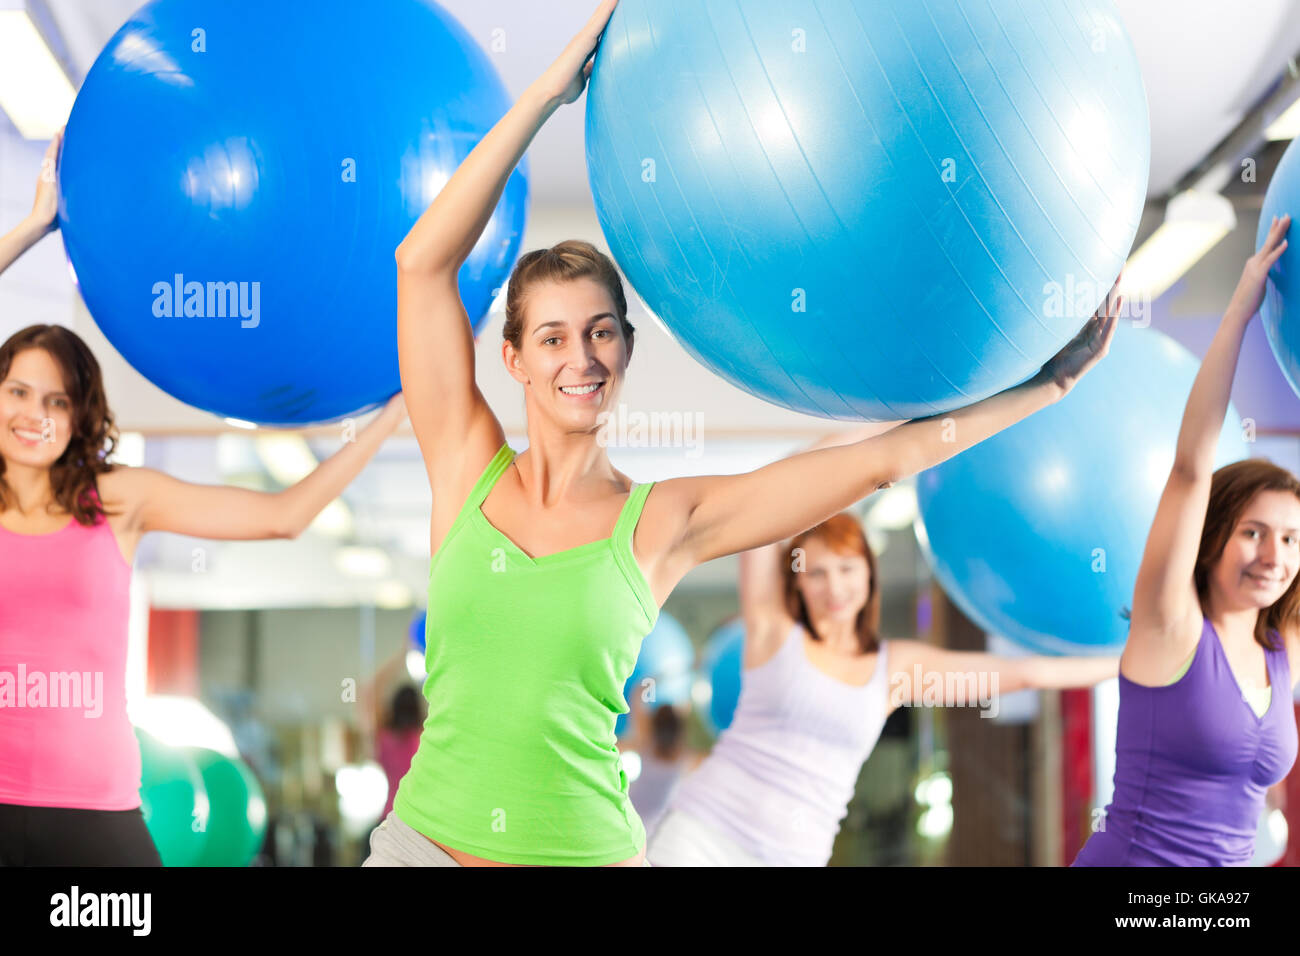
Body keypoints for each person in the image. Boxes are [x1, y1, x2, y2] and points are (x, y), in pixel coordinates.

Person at [363, 0, 1120, 868]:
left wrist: (1047, 388)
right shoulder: (463, 466)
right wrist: (547, 93)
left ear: (628, 349)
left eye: (603, 330)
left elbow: (883, 459)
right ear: (514, 358)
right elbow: (419, 262)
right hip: (421, 848)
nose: (582, 356)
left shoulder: (662, 522)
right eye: (553, 336)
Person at [0, 132, 408, 865]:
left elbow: (283, 518)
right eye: (18, 393)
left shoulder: (117, 500)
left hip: (95, 818)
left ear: (78, 415)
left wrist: (384, 423)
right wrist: (32, 226)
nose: (34, 414)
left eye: (56, 401)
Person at [646, 443, 1120, 866]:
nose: (834, 587)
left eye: (847, 569)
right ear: (797, 582)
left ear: (868, 575)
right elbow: (770, 489)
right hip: (701, 837)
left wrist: (1126, 662)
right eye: (817, 573)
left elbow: (1027, 673)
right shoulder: (773, 631)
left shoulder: (895, 671)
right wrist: (871, 429)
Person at [1073, 215, 1300, 867]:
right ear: (1212, 538)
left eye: (1290, 538)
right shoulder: (1170, 625)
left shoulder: (1279, 651)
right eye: (1253, 532)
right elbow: (1192, 468)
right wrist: (1240, 310)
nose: (1274, 555)